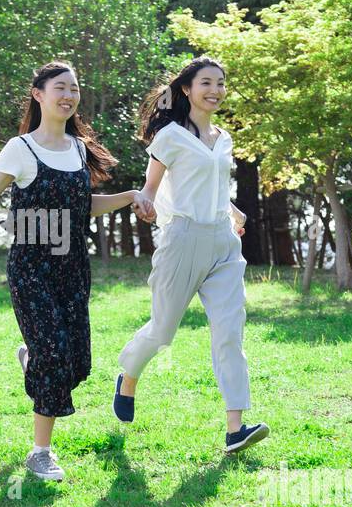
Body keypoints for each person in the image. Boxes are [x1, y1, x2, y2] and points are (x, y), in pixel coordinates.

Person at [0, 61, 152, 482]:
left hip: (73, 267)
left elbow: (83, 204)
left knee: (78, 365)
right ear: (38, 94)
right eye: (60, 88)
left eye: (74, 89)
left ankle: (32, 361)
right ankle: (40, 452)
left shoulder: (77, 148)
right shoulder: (21, 149)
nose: (69, 96)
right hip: (31, 266)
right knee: (55, 356)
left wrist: (129, 196)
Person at [113, 56, 269, 455]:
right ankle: (128, 376)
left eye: (220, 83)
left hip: (222, 243)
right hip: (182, 240)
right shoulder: (169, 135)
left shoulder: (223, 137)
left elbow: (214, 183)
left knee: (230, 334)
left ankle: (235, 428)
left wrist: (232, 212)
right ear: (186, 89)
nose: (215, 90)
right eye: (206, 83)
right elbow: (151, 186)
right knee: (162, 331)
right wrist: (143, 204)